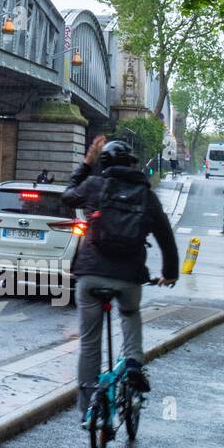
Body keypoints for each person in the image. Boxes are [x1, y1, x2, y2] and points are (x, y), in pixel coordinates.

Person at [61, 136, 178, 419]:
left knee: (90, 343)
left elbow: (67, 196)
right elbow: (165, 235)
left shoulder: (94, 185)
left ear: (104, 163)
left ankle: (89, 409)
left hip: (90, 274)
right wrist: (169, 273)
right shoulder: (145, 194)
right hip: (129, 276)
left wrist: (85, 165)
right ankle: (134, 364)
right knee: (129, 314)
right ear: (132, 163)